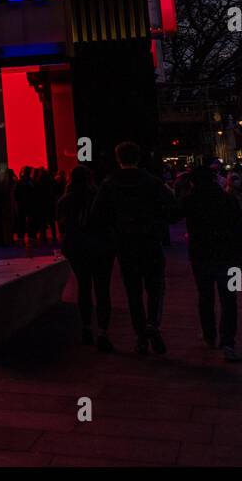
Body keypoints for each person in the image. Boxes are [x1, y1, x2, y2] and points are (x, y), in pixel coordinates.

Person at [90, 142, 177, 355]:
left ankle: (140, 336)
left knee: (133, 291)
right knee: (155, 287)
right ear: (138, 157)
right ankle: (152, 323)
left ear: (118, 158)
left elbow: (97, 215)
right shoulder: (152, 181)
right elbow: (172, 208)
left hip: (125, 244)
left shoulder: (109, 184)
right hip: (150, 241)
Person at [180, 166, 242, 361]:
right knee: (230, 300)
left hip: (201, 257)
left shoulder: (191, 201)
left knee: (205, 297)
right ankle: (229, 342)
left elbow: (171, 214)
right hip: (231, 257)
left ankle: (209, 335)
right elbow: (240, 228)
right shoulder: (228, 199)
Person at [57, 166, 115, 352]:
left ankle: (86, 328)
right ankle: (103, 333)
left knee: (83, 286)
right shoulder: (99, 197)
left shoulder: (65, 200)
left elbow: (62, 227)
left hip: (76, 247)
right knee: (102, 289)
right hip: (100, 247)